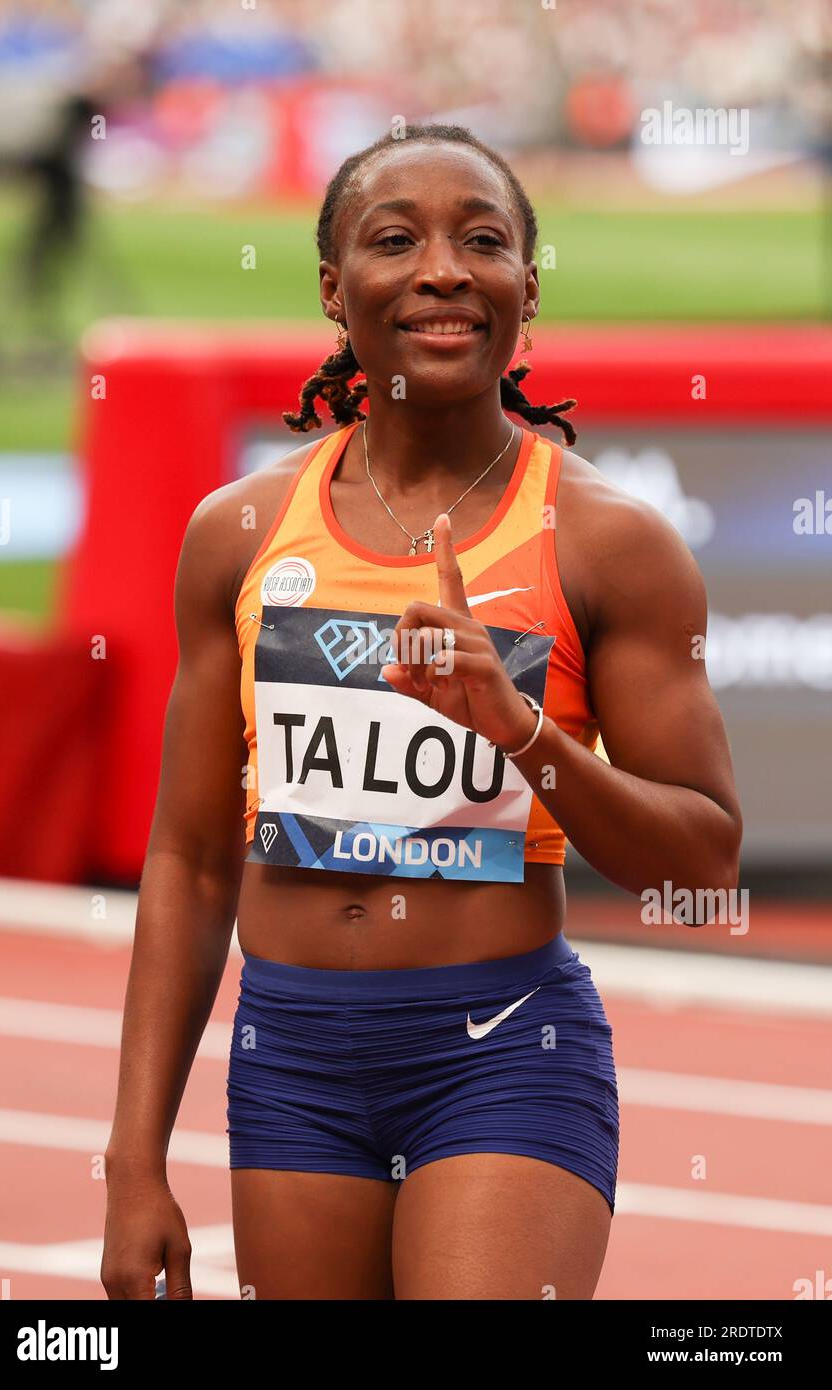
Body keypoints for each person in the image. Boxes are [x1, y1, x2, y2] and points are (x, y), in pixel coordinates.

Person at [101, 123, 742, 1301]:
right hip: (288, 1057)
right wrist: (131, 1162)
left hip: (502, 1049)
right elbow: (190, 861)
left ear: (527, 290)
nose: (443, 268)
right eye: (396, 240)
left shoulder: (609, 541)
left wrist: (522, 729)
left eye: (482, 241)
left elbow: (699, 860)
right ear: (335, 291)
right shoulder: (236, 533)